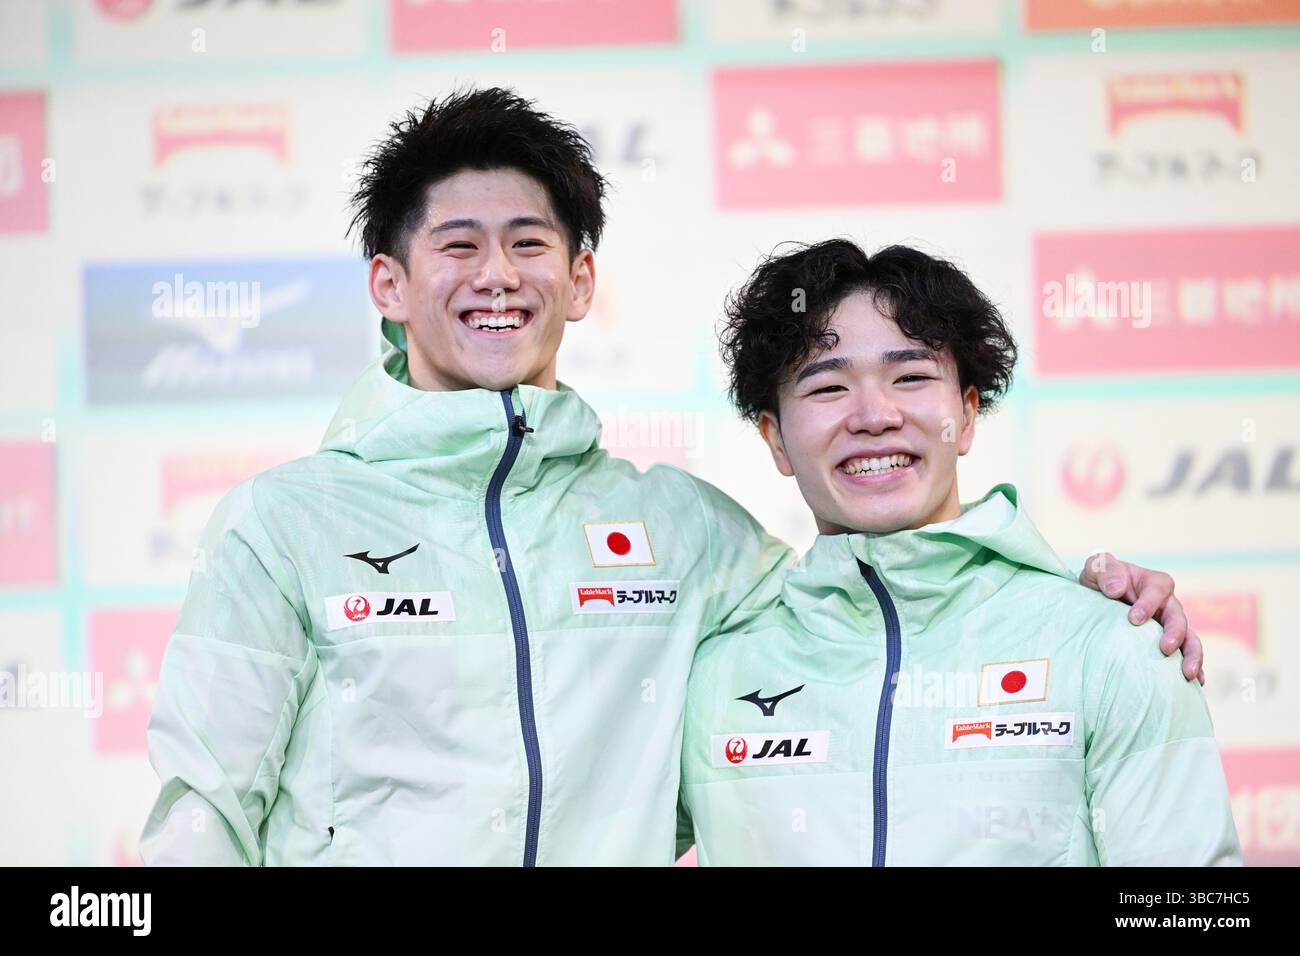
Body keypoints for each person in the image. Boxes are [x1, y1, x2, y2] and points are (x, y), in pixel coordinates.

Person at [141, 89, 1202, 866]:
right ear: (389, 282)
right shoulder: (279, 526)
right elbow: (205, 814)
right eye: (458, 245)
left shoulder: (681, 532)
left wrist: (1081, 585)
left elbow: (881, 599)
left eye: (529, 242)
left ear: (582, 278)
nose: (498, 275)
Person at [678, 240, 1240, 865]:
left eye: (910, 376)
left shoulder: (1111, 646)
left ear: (967, 415)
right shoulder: (708, 675)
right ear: (775, 438)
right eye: (828, 387)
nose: (873, 415)